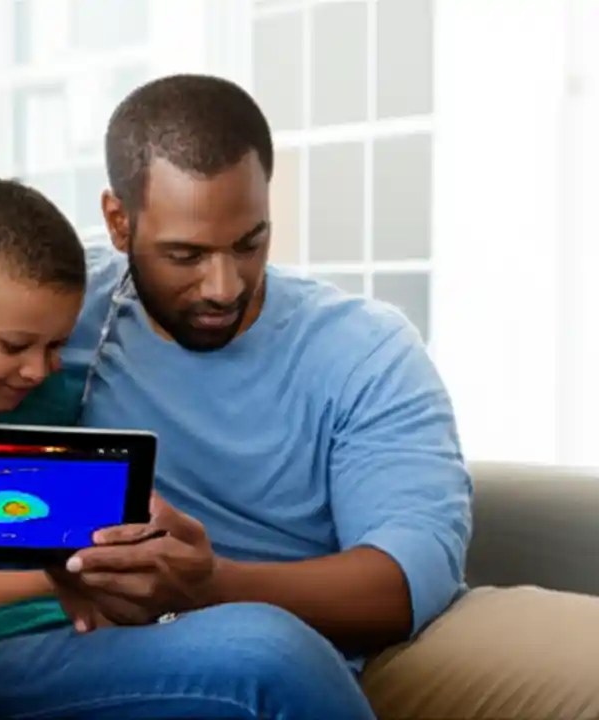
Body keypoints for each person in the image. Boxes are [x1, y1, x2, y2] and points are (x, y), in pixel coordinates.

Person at [53, 73, 599, 720]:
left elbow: (406, 581)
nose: (224, 286)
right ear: (119, 222)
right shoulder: (58, 312)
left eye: (249, 242)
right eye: (185, 255)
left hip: (333, 662)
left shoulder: (364, 349)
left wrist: (213, 585)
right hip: (115, 657)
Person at [0, 175, 375, 719]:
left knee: (268, 641)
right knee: (267, 653)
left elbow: (93, 537)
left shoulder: (55, 394)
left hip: (100, 632)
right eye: (15, 345)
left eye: (57, 344)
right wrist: (57, 575)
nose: (38, 369)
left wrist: (103, 570)